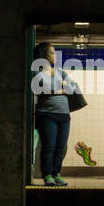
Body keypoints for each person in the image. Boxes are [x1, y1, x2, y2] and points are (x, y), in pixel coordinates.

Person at [31, 42, 81, 186]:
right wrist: (62, 87)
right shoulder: (36, 72)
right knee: (49, 146)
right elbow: (43, 88)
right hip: (46, 115)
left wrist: (62, 88)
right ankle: (47, 175)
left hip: (64, 115)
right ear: (43, 55)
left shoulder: (60, 71)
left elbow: (72, 89)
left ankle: (56, 173)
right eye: (52, 52)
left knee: (60, 146)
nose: (55, 55)